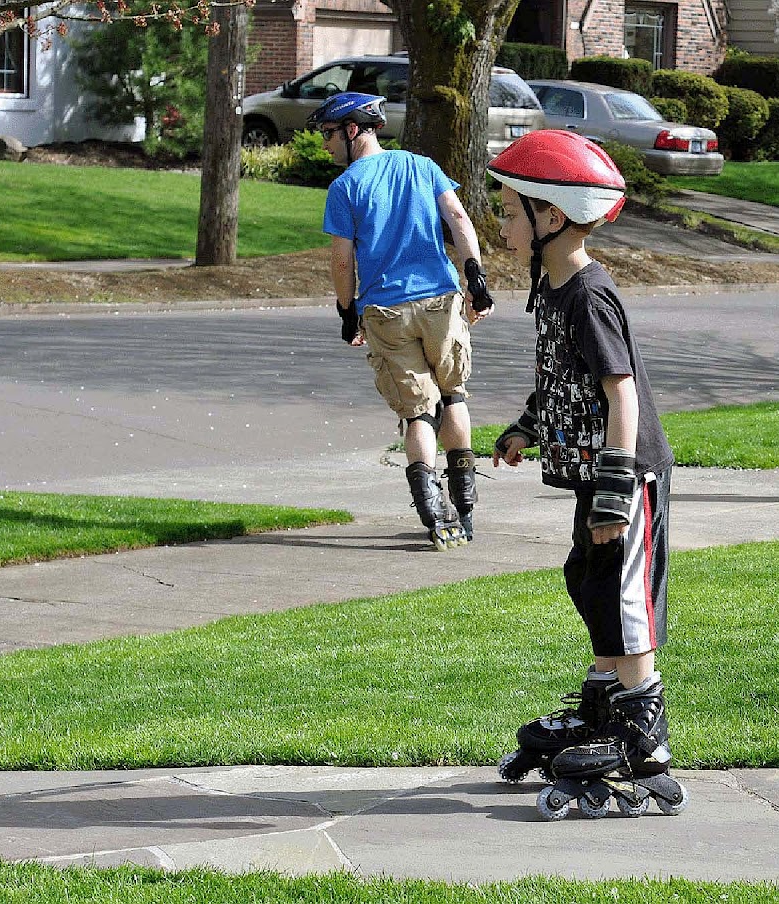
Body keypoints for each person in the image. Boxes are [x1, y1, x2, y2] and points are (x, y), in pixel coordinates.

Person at [485, 130, 684, 818]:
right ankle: (603, 711)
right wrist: (526, 428)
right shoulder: (552, 287)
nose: (502, 226)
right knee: (592, 589)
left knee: (627, 603)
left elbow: (620, 395)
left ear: (554, 216)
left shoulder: (591, 296)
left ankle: (643, 741)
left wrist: (614, 493)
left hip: (625, 485)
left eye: (511, 212)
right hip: (594, 483)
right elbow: (562, 383)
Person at [311, 92, 497, 550]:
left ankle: (433, 512)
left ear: (353, 130)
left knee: (418, 412)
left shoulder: (345, 188)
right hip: (440, 302)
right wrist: (475, 277)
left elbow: (341, 262)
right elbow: (457, 217)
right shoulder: (420, 165)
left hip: (387, 311)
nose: (325, 145)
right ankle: (466, 508)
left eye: (329, 134)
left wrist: (346, 311)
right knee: (452, 396)